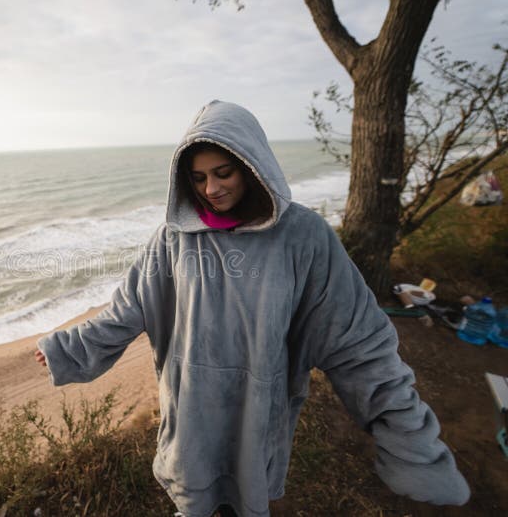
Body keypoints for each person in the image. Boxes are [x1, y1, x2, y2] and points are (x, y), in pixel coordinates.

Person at [33, 100, 470, 517]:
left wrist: (412, 442)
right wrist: (69, 347)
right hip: (191, 414)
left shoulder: (303, 237)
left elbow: (356, 340)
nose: (212, 189)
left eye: (224, 172)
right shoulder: (174, 238)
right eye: (199, 177)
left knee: (245, 495)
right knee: (194, 493)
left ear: (252, 165)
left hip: (258, 412)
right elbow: (127, 309)